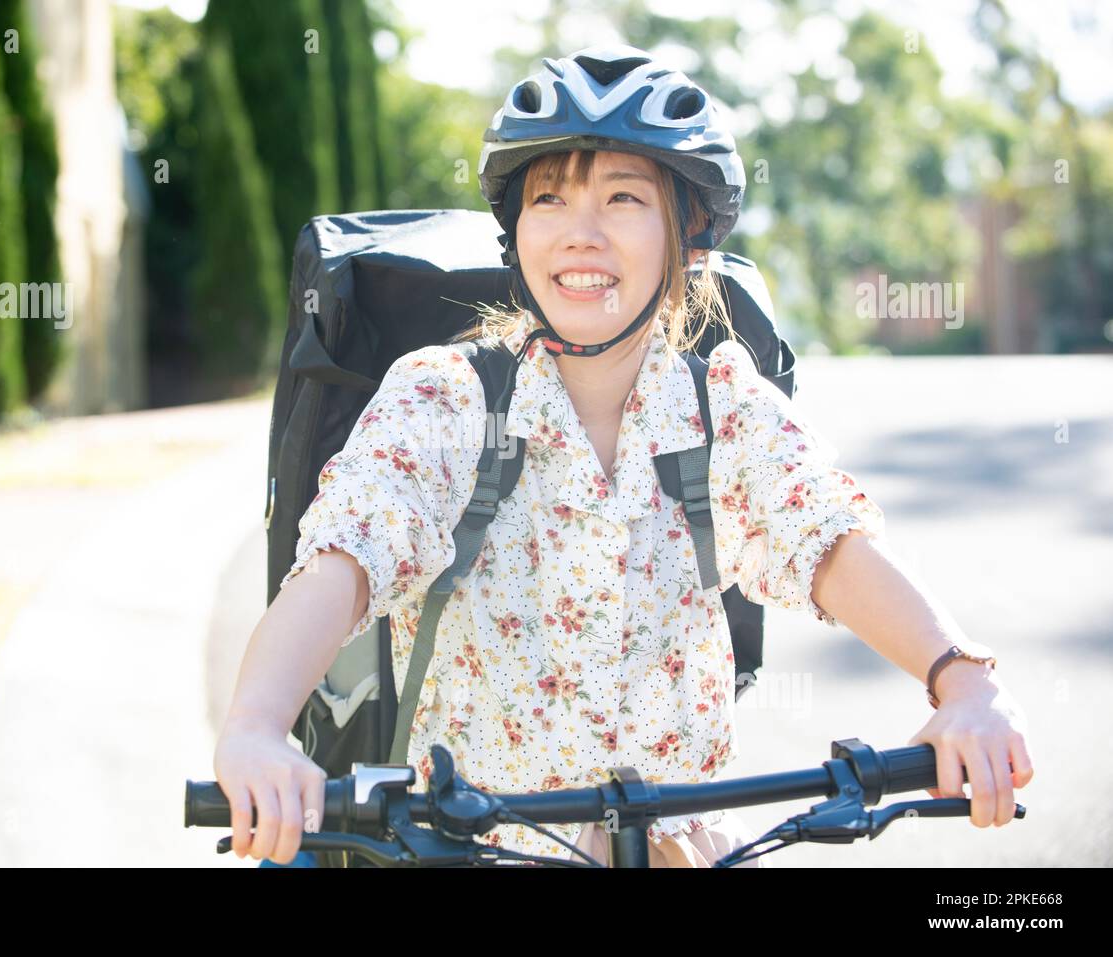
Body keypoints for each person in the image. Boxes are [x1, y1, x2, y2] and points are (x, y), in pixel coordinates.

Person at [215, 44, 1033, 868]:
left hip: (682, 848)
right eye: (548, 198)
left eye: (623, 197)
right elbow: (346, 558)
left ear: (689, 237)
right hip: (477, 847)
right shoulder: (447, 399)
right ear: (518, 233)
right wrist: (256, 726)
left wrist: (962, 681)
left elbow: (829, 540)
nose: (581, 233)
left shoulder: (723, 407)